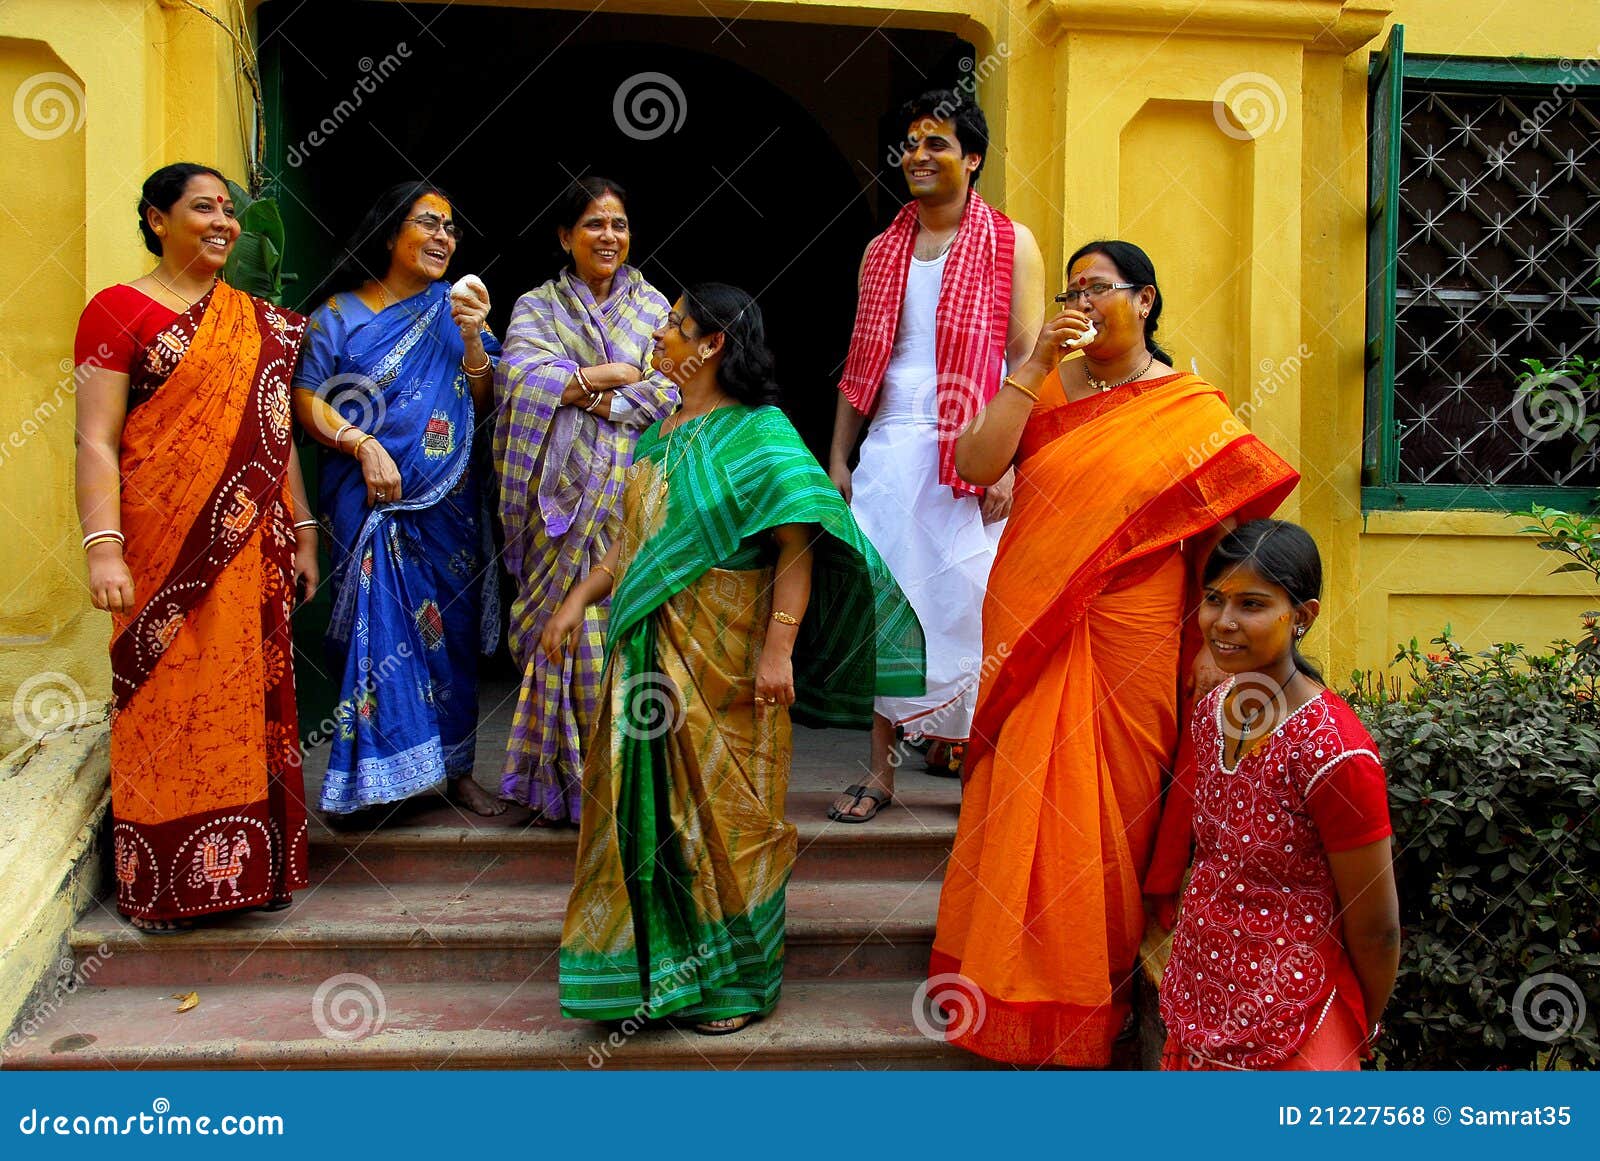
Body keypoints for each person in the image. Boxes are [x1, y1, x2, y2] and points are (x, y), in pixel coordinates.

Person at [928, 239, 1301, 1065]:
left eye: (1100, 288)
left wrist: (1214, 644)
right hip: (1030, 620)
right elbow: (975, 463)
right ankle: (1000, 991)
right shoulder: (1047, 385)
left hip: (1135, 630)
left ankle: (1094, 999)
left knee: (1110, 822)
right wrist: (1027, 365)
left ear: (1148, 299)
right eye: (1072, 290)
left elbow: (1224, 542)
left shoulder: (1190, 409)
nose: (1083, 302)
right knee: (1021, 797)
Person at [550, 284, 923, 1033]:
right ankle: (647, 978)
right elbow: (631, 551)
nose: (660, 337)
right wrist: (575, 601)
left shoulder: (763, 434)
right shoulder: (657, 437)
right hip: (647, 661)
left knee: (727, 822)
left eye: (675, 327)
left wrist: (780, 649)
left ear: (713, 343)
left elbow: (801, 542)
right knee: (641, 811)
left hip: (730, 665)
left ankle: (734, 986)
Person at [74, 162, 314, 931]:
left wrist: (304, 530)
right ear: (156, 219)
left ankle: (249, 872)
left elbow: (276, 435)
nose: (223, 221)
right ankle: (169, 884)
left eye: (229, 211)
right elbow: (96, 440)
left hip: (252, 548)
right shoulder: (116, 310)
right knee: (166, 697)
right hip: (156, 546)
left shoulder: (258, 320)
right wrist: (103, 547)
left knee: (245, 699)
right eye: (203, 207)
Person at [827, 89, 1043, 820]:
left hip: (974, 448)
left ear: (972, 158)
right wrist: (839, 460)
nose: (919, 156)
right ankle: (880, 773)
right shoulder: (881, 249)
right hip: (890, 446)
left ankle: (978, 764)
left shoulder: (1012, 241)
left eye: (937, 144)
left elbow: (1027, 360)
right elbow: (860, 367)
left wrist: (1010, 460)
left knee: (972, 606)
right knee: (890, 607)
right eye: (911, 145)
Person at [1150, 520, 1400, 1070]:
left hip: (1299, 1027)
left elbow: (1377, 928)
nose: (1225, 622)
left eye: (1253, 604)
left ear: (1302, 617)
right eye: (1214, 599)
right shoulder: (1213, 713)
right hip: (1200, 1001)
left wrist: (1361, 1022)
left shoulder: (1336, 754)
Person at [292, 182, 504, 818]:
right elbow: (304, 398)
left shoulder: (459, 309)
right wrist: (360, 443)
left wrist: (471, 341)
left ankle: (457, 768)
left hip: (449, 508)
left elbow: (487, 404)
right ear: (390, 233)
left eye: (450, 227)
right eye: (428, 223)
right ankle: (377, 780)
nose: (443, 237)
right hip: (369, 503)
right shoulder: (338, 315)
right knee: (379, 637)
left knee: (452, 634)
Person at [493, 176, 678, 823]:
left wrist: (588, 392)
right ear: (564, 236)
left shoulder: (656, 307)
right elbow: (516, 379)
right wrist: (614, 375)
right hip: (555, 503)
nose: (609, 236)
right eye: (594, 224)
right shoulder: (536, 308)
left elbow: (669, 388)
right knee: (556, 634)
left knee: (620, 636)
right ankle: (553, 784)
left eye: (619, 224)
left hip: (625, 497)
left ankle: (613, 785)